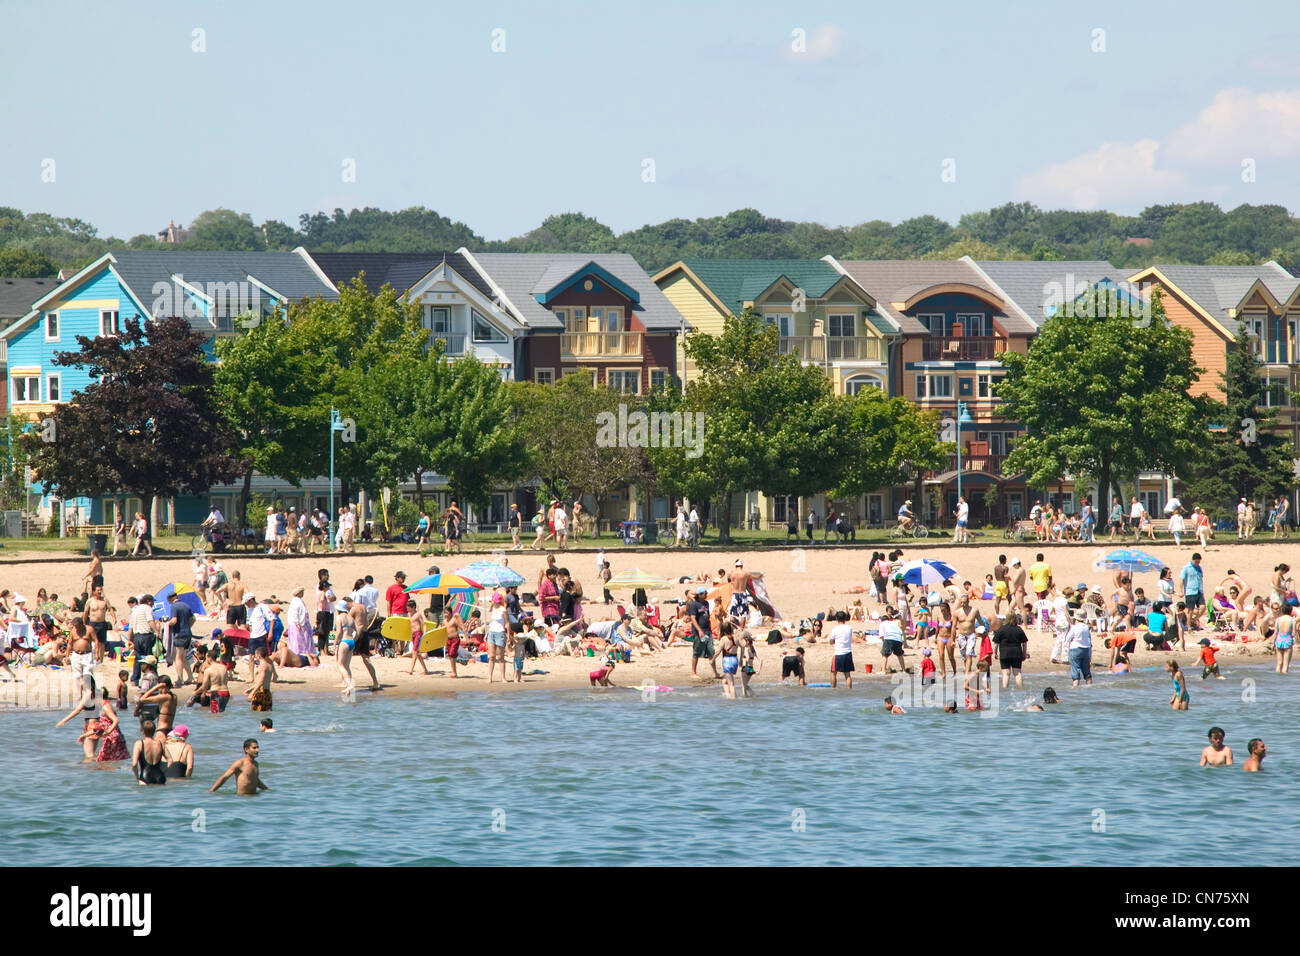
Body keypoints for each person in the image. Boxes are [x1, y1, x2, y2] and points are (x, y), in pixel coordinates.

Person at [687, 586, 718, 678]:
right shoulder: (694, 605)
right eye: (705, 593)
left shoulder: (706, 603)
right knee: (696, 651)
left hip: (707, 630)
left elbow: (707, 616)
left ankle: (715, 672)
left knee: (711, 651)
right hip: (698, 632)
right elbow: (693, 618)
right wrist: (699, 630)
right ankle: (693, 672)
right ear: (700, 595)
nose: (706, 595)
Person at [993, 613, 1028, 688]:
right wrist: (1024, 653)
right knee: (1017, 673)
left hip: (1004, 653)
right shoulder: (1019, 629)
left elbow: (996, 643)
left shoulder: (1002, 629)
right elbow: (1024, 642)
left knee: (1006, 673)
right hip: (1017, 653)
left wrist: (995, 653)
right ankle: (1020, 689)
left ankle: (1005, 689)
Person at [132, 719, 167, 785]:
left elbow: (134, 764)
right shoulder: (160, 743)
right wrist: (163, 773)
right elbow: (170, 760)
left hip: (145, 777)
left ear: (142, 731)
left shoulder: (139, 743)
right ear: (154, 731)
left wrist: (137, 778)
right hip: (160, 777)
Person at [1065, 607, 1092, 686]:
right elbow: (1089, 640)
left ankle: (1075, 690)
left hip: (1075, 649)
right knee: (1087, 674)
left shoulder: (1074, 627)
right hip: (1086, 649)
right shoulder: (1086, 627)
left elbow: (1067, 638)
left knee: (1076, 674)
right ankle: (1090, 690)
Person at [829, 610, 854, 689]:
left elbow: (831, 641)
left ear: (837, 619)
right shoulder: (849, 628)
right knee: (847, 675)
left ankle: (833, 688)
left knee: (833, 673)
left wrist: (834, 641)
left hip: (838, 653)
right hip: (847, 653)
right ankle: (849, 690)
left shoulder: (835, 629)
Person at [1180, 552, 1205, 630]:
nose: (1197, 563)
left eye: (1198, 562)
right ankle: (1189, 626)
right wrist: (1181, 591)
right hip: (1190, 591)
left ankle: (1193, 620)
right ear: (1193, 560)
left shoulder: (1199, 568)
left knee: (1203, 607)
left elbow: (1201, 578)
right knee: (1190, 610)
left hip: (1199, 590)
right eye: (1196, 562)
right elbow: (1181, 579)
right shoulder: (1186, 568)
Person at [715, 622, 739, 699]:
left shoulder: (724, 639)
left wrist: (712, 659)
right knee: (725, 680)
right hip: (735, 660)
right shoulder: (735, 637)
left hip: (727, 661)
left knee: (731, 683)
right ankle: (727, 695)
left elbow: (718, 651)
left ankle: (734, 698)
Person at [1273, 603, 1293, 674]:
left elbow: (1275, 632)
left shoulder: (1278, 620)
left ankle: (1277, 679)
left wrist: (1273, 643)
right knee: (1286, 664)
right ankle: (1284, 681)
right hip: (1288, 640)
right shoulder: (1292, 620)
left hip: (1279, 640)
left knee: (1279, 664)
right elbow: (1294, 632)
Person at [738, 631, 759, 698]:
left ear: (746, 641)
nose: (742, 642)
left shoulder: (746, 649)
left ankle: (746, 696)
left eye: (743, 641)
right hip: (751, 668)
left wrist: (745, 663)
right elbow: (760, 660)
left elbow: (747, 658)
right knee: (745, 684)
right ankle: (752, 694)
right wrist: (759, 669)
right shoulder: (752, 649)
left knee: (743, 686)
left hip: (745, 668)